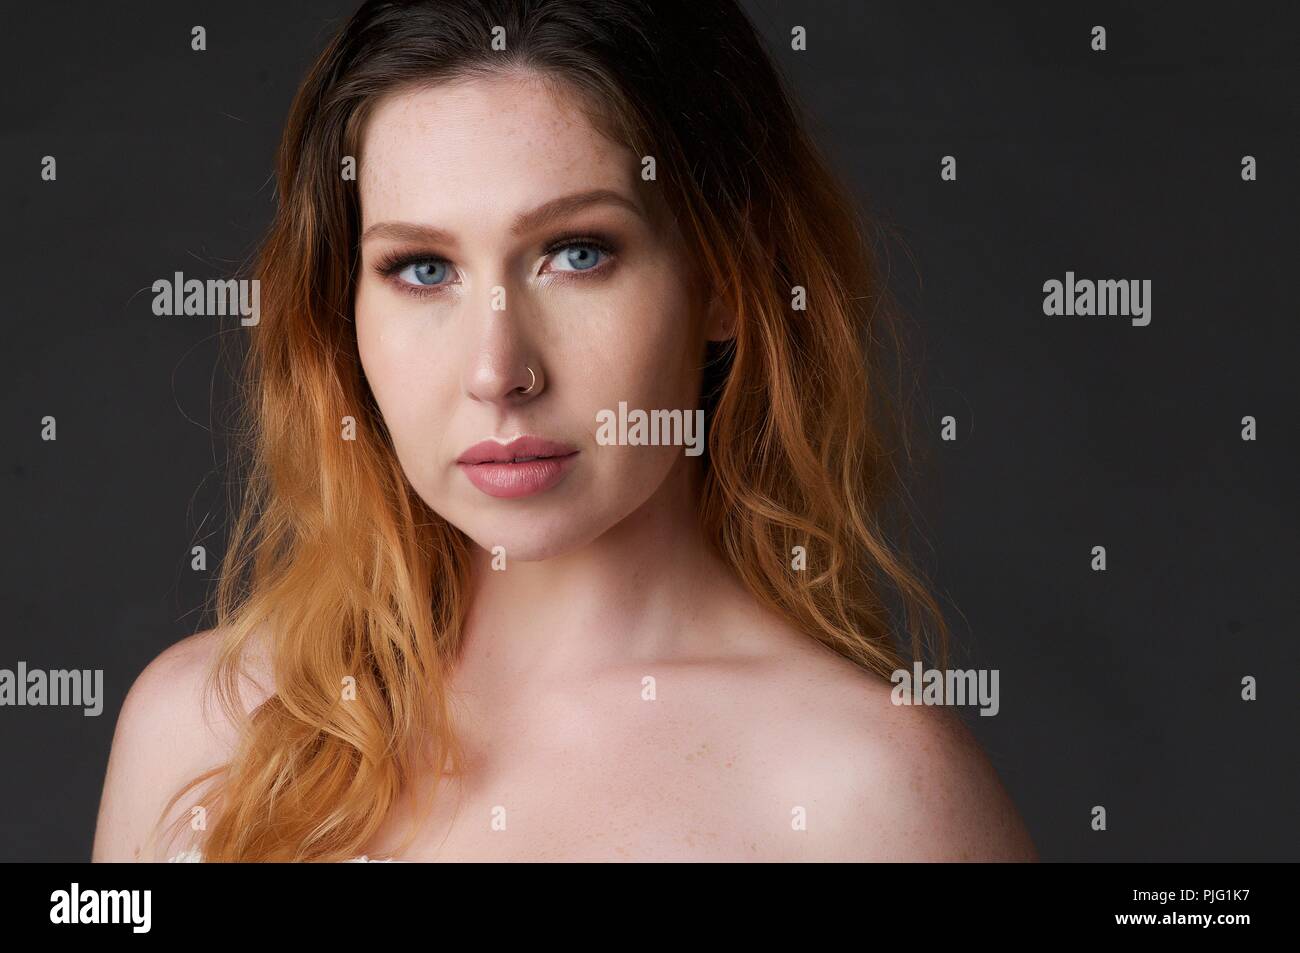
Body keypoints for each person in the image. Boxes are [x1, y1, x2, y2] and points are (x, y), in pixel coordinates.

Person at [93, 0, 1036, 862]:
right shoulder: (198, 734)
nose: (499, 371)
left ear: (727, 280)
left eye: (577, 253)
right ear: (343, 309)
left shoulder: (872, 796)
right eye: (422, 269)